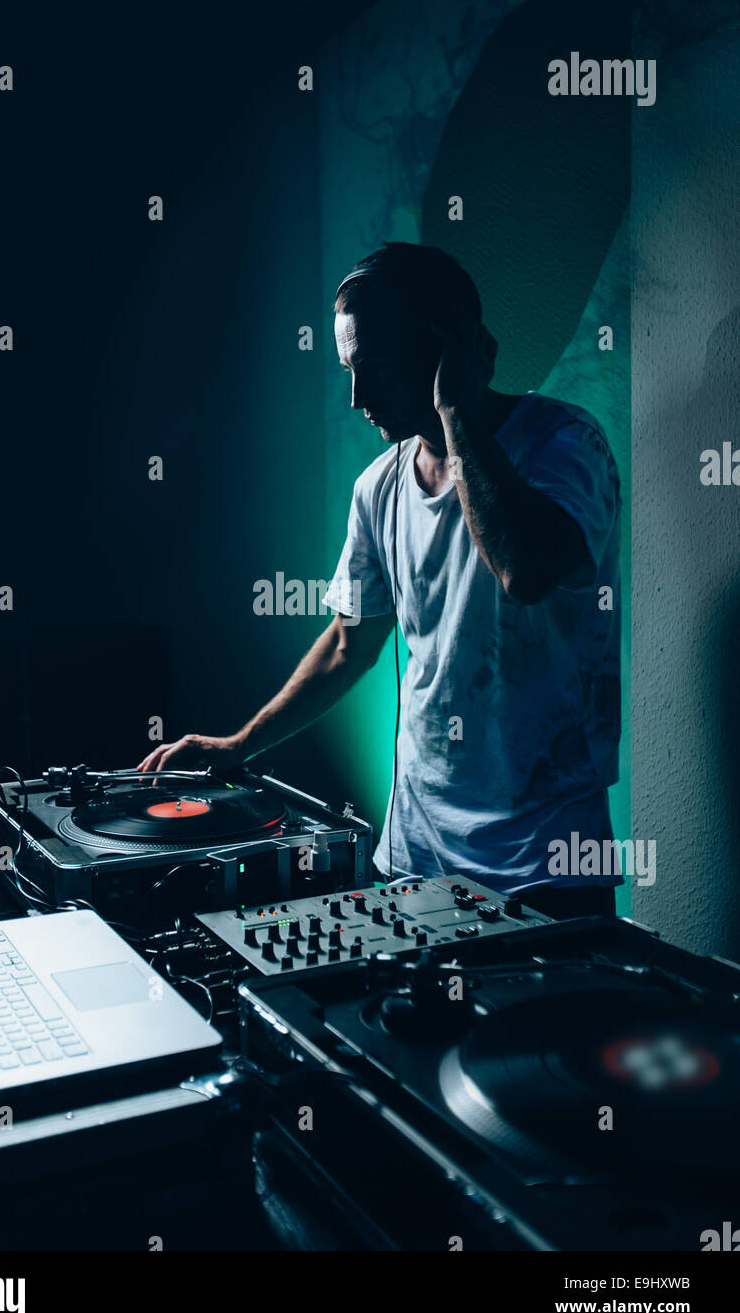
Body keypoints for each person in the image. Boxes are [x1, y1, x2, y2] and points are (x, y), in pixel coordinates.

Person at [138, 242, 622, 919]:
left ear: (449, 348)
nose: (359, 398)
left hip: (545, 863)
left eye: (378, 369)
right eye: (348, 372)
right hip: (414, 859)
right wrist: (239, 744)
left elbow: (525, 569)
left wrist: (455, 413)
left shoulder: (565, 444)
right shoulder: (379, 487)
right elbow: (348, 642)